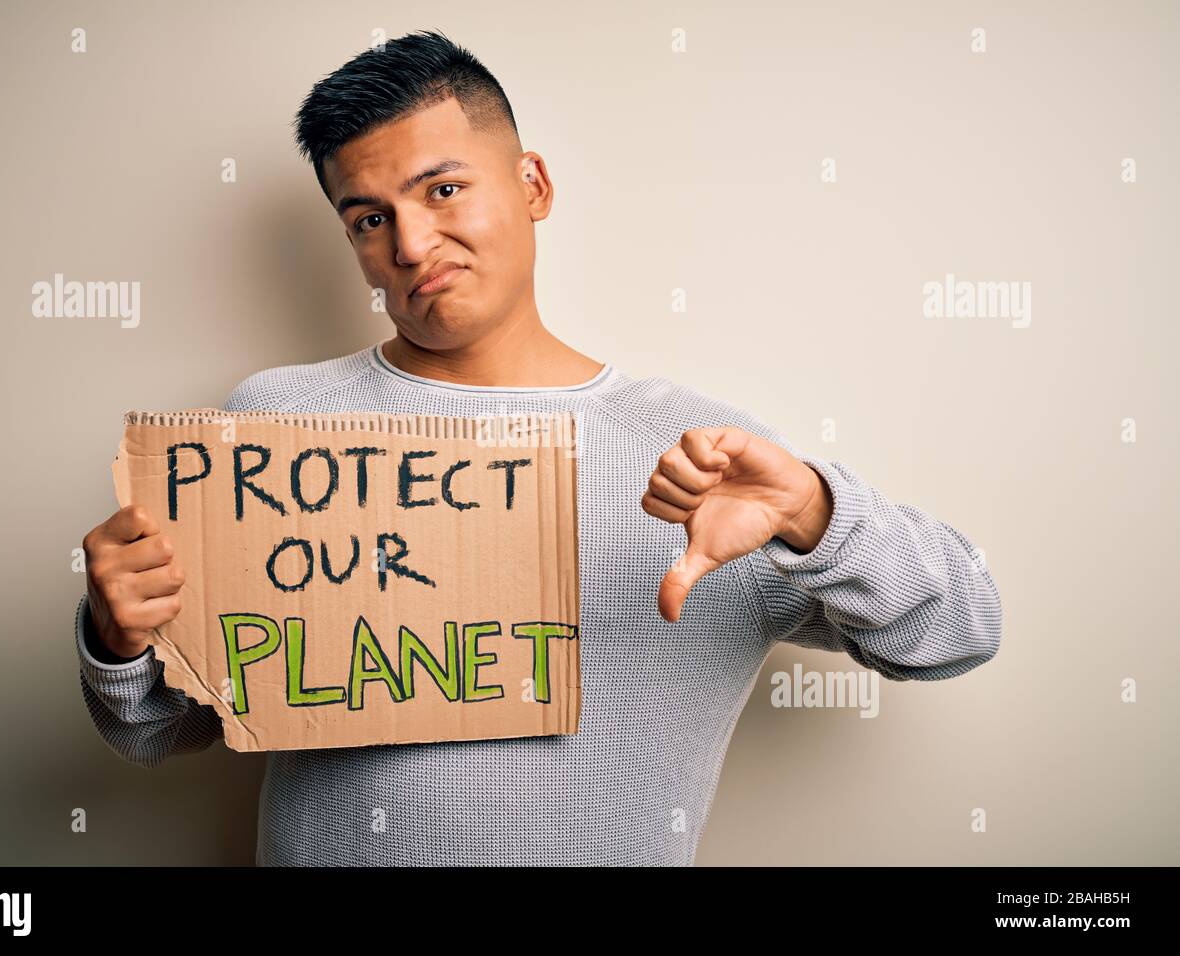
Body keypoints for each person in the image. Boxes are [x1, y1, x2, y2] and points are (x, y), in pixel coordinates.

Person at [74, 29, 1002, 866]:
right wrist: (119, 637)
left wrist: (810, 513)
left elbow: (959, 634)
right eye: (368, 218)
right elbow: (158, 730)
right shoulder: (272, 424)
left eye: (443, 189)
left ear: (533, 187)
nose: (411, 242)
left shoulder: (703, 456)